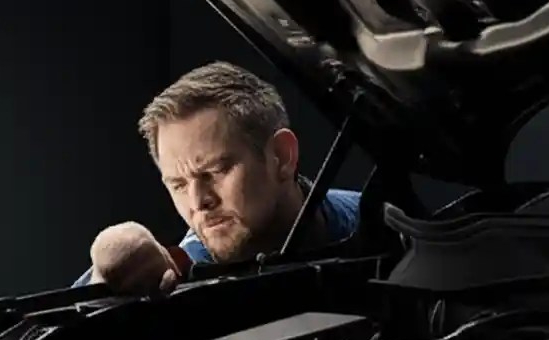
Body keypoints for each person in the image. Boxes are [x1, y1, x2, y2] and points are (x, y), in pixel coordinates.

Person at [72, 61, 361, 295]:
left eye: (216, 171)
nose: (199, 201)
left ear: (282, 156)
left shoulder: (378, 223)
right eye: (179, 184)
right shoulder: (174, 275)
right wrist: (105, 283)